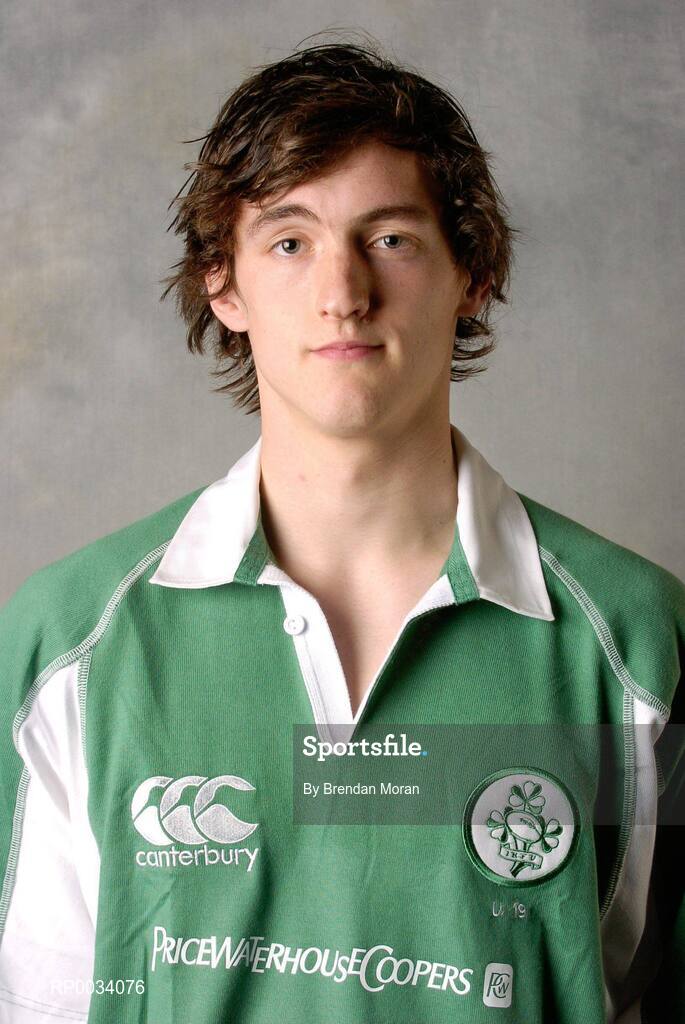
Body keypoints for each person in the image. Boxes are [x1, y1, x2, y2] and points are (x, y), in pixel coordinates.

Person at [0, 39, 683, 1024]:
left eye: (391, 238)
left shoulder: (637, 641)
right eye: (289, 241)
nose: (342, 291)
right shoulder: (69, 640)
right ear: (221, 286)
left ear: (474, 269)